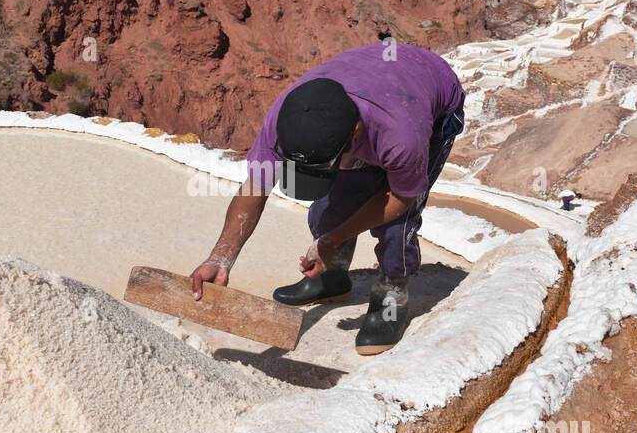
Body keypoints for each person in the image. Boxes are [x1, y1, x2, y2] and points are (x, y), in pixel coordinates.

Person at [189, 40, 465, 355]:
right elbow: (256, 187)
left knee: (396, 228)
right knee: (326, 212)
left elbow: (399, 199)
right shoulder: (288, 118)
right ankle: (333, 277)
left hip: (427, 96)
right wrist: (220, 258)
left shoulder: (402, 134)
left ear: (356, 133)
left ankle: (392, 295)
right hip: (375, 85)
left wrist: (331, 241)